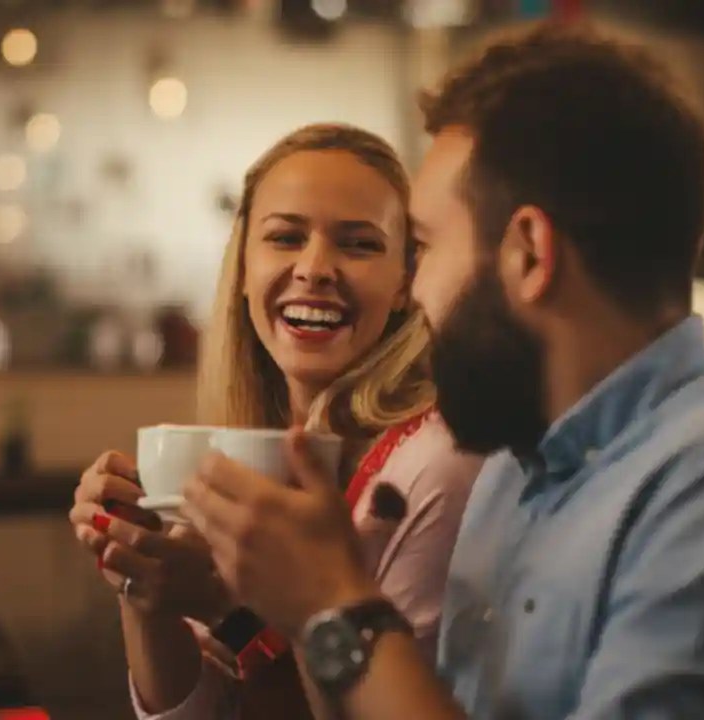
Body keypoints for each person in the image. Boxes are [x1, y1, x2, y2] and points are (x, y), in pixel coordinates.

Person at [182, 23, 704, 720]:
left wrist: (340, 610)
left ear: (527, 254)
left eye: (424, 246)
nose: (413, 291)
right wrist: (304, 607)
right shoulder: (514, 473)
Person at [68, 123, 484, 719]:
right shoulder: (247, 452)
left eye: (360, 244)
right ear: (242, 270)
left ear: (404, 282)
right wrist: (141, 579)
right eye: (286, 237)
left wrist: (226, 610)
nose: (315, 268)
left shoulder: (434, 464)